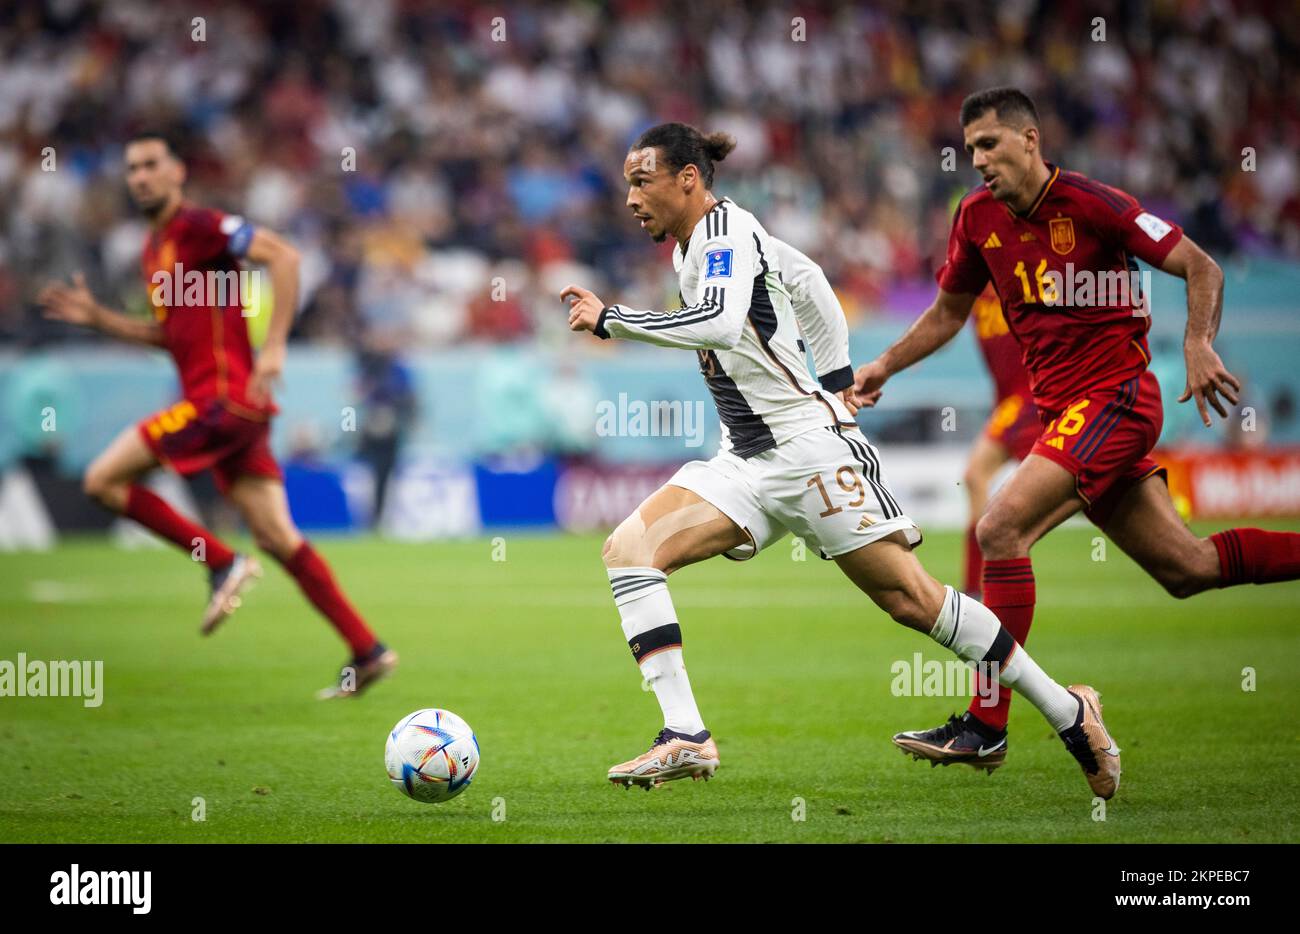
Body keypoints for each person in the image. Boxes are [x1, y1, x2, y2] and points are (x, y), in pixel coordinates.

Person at [562, 122, 1121, 798]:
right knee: (630, 551)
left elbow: (716, 322)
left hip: (806, 453)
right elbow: (812, 282)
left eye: (641, 180)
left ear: (688, 178)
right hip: (744, 461)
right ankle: (685, 733)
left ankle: (1068, 711)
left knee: (912, 600)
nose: (629, 197)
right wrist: (839, 378)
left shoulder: (723, 236)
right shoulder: (717, 237)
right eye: (627, 183)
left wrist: (612, 319)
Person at [854, 88, 1300, 771]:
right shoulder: (976, 219)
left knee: (1000, 528)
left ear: (1030, 141)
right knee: (1187, 568)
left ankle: (987, 723)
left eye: (989, 144)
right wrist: (884, 364)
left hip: (1118, 399)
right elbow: (947, 314)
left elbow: (1200, 266)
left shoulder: (1096, 205)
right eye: (970, 148)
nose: (976, 160)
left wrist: (1199, 342)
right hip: (1068, 416)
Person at [37, 131, 396, 699]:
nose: (140, 177)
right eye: (132, 168)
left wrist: (275, 345)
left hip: (221, 403)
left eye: (152, 164)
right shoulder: (154, 251)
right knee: (280, 538)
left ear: (177, 171)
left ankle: (223, 563)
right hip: (237, 414)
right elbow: (169, 336)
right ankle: (367, 650)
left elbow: (284, 255)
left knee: (102, 479)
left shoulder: (201, 227)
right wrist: (100, 318)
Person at [962, 283, 1040, 599]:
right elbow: (942, 317)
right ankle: (975, 586)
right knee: (976, 478)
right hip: (1008, 402)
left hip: (1032, 396)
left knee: (976, 475)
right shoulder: (973, 287)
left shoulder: (1019, 276)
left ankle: (975, 586)